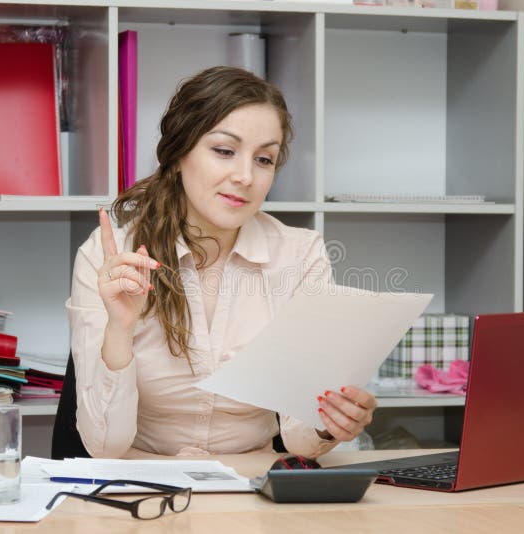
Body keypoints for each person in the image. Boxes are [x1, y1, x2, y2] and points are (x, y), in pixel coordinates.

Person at [67, 66, 377, 459]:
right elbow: (105, 446)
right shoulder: (109, 255)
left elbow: (300, 440)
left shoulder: (300, 256)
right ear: (179, 154)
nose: (245, 176)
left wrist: (331, 420)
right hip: (145, 490)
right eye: (224, 151)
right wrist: (120, 329)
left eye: (265, 159)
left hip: (255, 490)